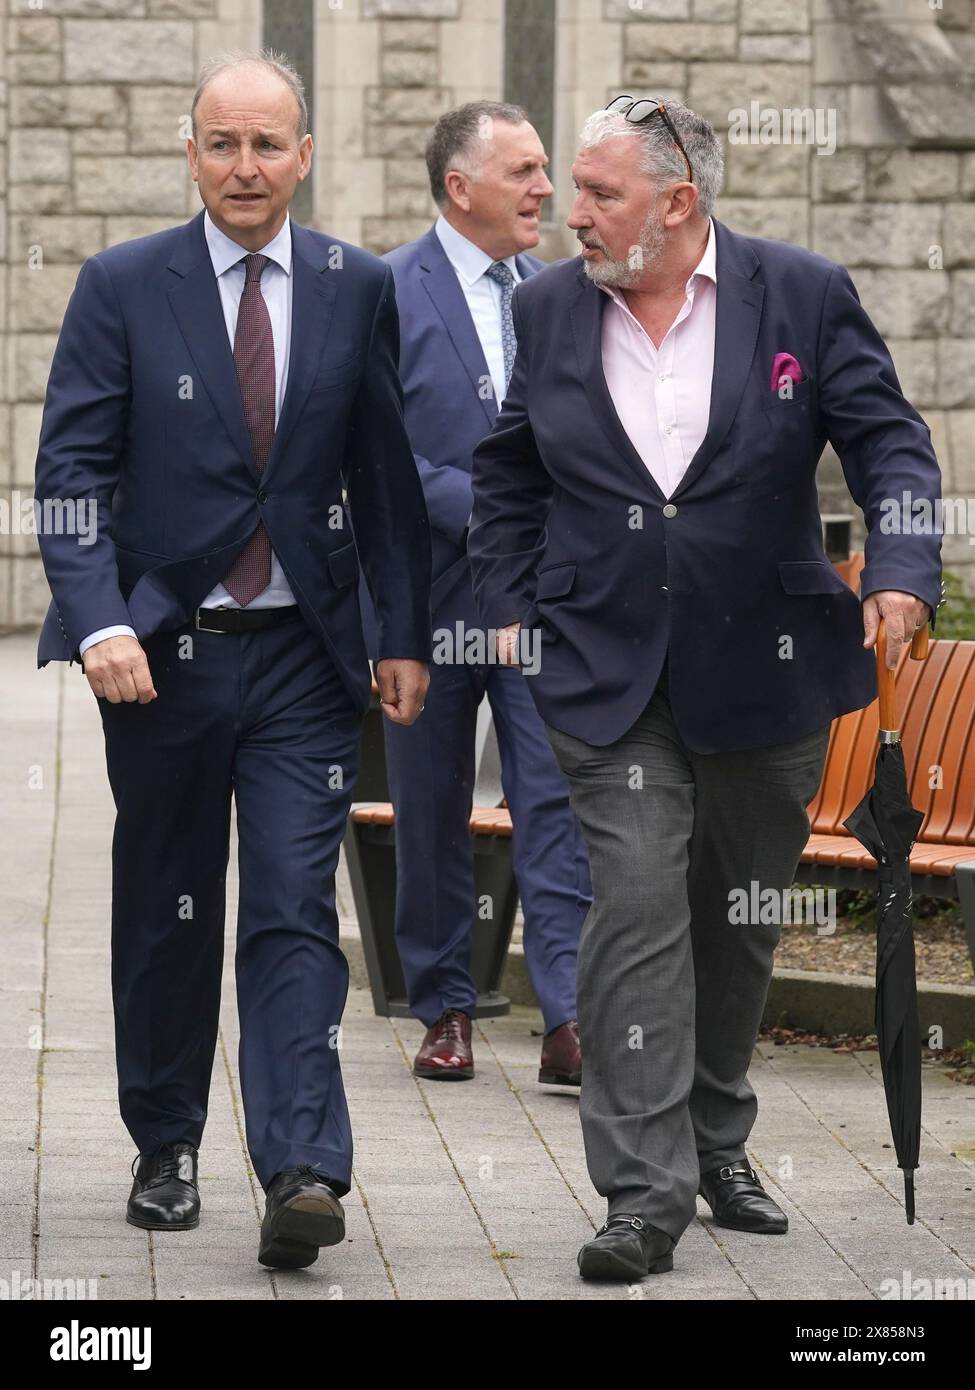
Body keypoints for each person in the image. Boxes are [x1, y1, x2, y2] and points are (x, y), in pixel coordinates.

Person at [468, 96, 942, 1282]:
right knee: (635, 911)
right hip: (604, 668)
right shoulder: (548, 306)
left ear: (679, 203)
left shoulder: (802, 294)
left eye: (598, 194)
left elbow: (891, 441)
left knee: (737, 920)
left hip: (766, 667)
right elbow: (511, 469)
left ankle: (718, 1135)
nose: (568, 214)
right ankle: (642, 1192)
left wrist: (899, 569)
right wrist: (515, 607)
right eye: (569, 189)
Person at [33, 49, 431, 1271]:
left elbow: (386, 476)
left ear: (304, 156)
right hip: (162, 657)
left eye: (269, 144)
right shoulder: (122, 285)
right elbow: (72, 475)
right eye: (224, 143)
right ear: (193, 152)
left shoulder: (357, 285)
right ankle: (166, 1140)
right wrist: (99, 622)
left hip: (307, 661)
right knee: (168, 905)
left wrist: (405, 631)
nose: (246, 166)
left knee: (293, 905)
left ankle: (304, 1164)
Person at [361, 102, 591, 1085]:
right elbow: (373, 457)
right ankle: (445, 1005)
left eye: (547, 170)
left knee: (556, 799)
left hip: (541, 607)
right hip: (428, 602)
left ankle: (569, 1017)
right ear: (461, 187)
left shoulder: (559, 292)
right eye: (527, 171)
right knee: (430, 803)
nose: (548, 189)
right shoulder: (385, 294)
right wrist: (500, 508)